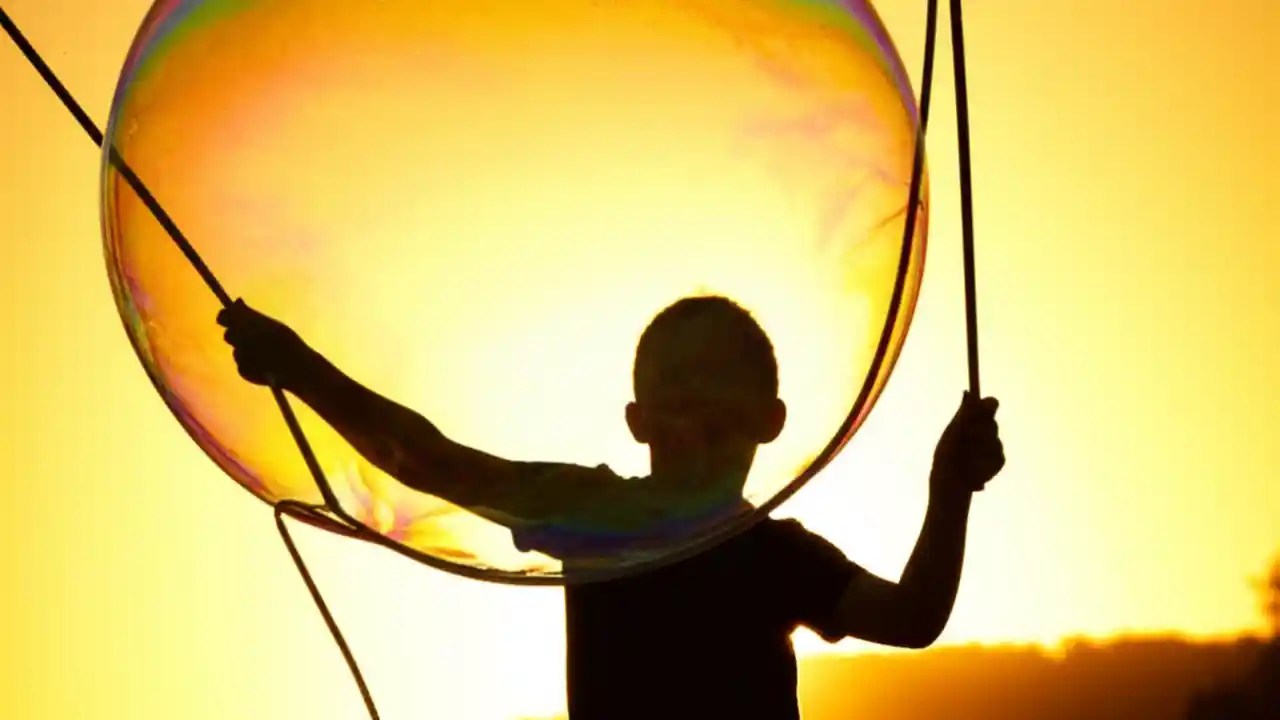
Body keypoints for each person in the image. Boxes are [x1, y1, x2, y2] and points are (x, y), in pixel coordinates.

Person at [219, 294, 1005, 720]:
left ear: (770, 421)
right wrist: (302, 368)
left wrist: (949, 493)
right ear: (638, 422)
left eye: (716, 386)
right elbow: (429, 459)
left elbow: (912, 618)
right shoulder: (595, 511)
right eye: (675, 388)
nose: (694, 407)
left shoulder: (774, 555)